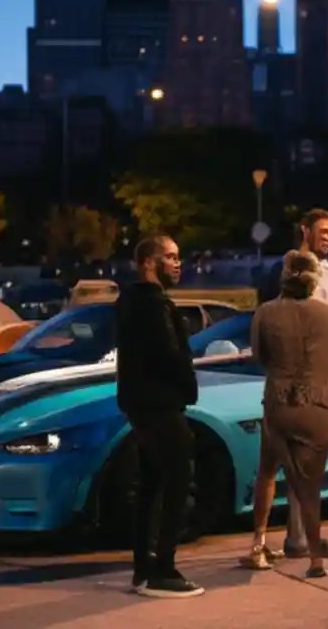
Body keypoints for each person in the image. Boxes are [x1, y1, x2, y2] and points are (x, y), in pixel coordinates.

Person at [243, 250, 328, 577]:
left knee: (267, 470)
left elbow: (259, 357)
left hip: (279, 401)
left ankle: (258, 542)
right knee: (309, 483)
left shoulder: (265, 313)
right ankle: (315, 559)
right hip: (318, 402)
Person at [115, 235, 205, 599]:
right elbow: (170, 355)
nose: (178, 264)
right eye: (170, 257)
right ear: (149, 263)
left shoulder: (128, 301)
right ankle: (163, 568)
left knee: (151, 483)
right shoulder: (154, 305)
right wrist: (188, 386)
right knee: (180, 478)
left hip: (140, 404)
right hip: (161, 405)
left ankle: (142, 567)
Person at [261, 208, 328, 559]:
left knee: (310, 465)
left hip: (324, 377)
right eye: (322, 230)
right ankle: (278, 537)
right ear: (305, 230)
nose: (327, 236)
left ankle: (302, 535)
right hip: (293, 380)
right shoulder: (287, 271)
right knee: (280, 463)